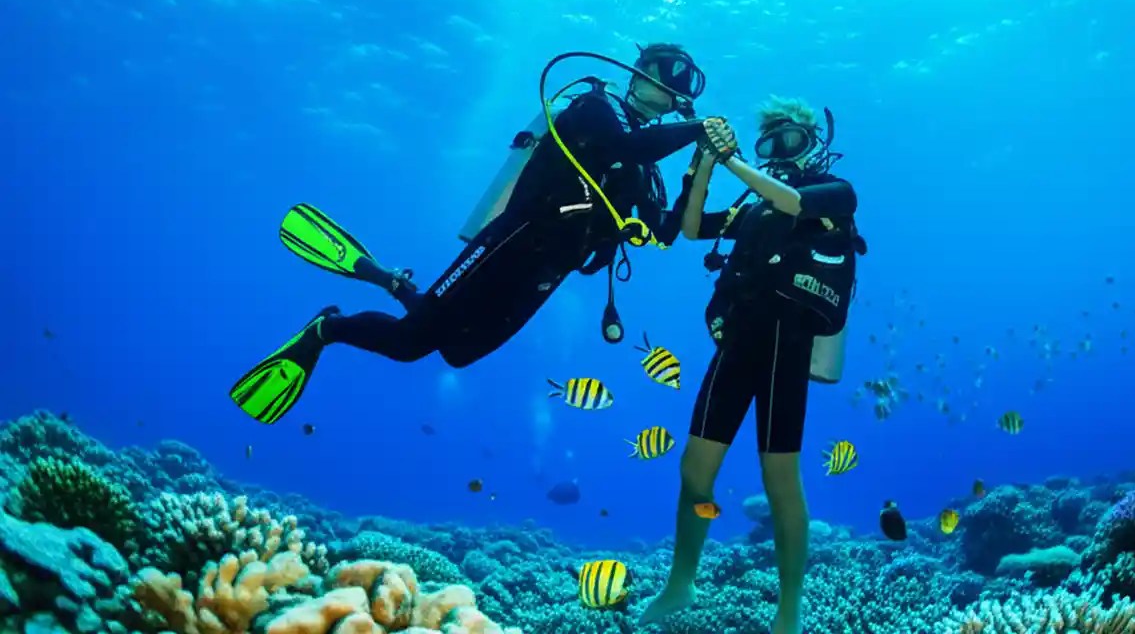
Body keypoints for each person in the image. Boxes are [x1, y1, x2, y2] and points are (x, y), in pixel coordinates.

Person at [230, 45, 712, 425]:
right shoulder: (595, 105)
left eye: (683, 80)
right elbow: (622, 146)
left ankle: (398, 284)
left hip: (549, 271)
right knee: (409, 344)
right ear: (640, 68)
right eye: (668, 71)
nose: (673, 86)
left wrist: (699, 169)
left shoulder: (652, 170)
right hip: (510, 242)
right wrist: (697, 130)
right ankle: (327, 328)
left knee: (458, 352)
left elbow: (664, 232)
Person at [639, 97, 867, 634]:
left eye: (791, 140)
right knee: (693, 471)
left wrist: (736, 159)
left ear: (815, 144)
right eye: (772, 143)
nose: (780, 153)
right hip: (737, 342)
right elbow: (693, 227)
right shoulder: (754, 207)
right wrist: (708, 163)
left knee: (779, 479)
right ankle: (681, 583)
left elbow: (791, 201)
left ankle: (788, 610)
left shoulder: (836, 193)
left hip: (787, 345)